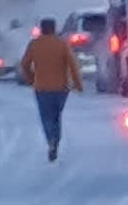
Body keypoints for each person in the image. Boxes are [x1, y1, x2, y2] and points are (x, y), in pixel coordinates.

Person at [20, 17, 84, 161]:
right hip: (61, 87)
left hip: (41, 87)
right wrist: (77, 84)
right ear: (54, 29)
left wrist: (31, 79)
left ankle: (51, 141)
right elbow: (73, 65)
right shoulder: (62, 44)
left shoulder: (34, 45)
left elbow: (24, 64)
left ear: (42, 29)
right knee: (56, 116)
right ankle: (56, 140)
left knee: (46, 117)